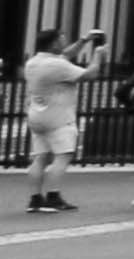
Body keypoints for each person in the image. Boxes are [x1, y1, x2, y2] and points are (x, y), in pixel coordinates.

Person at [23, 30, 96, 213]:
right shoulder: (57, 65)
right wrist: (98, 55)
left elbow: (66, 55)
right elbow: (90, 74)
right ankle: (53, 196)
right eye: (61, 39)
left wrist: (83, 40)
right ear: (53, 44)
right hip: (59, 117)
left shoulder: (33, 62)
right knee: (62, 156)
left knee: (40, 157)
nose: (64, 42)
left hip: (37, 115)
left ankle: (35, 199)